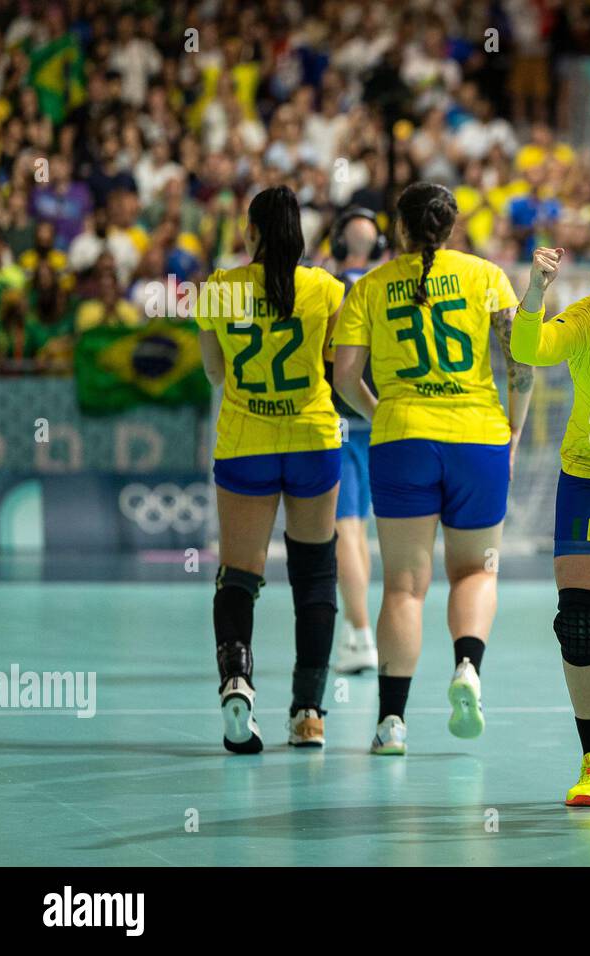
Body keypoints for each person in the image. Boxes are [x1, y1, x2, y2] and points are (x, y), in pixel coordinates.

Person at [332, 182, 532, 754]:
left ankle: (390, 724)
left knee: (403, 586)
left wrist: (386, 412)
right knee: (475, 572)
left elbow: (345, 375)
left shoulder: (370, 287)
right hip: (479, 438)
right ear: (451, 226)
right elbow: (521, 363)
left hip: (402, 441)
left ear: (400, 228)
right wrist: (513, 431)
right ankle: (467, 667)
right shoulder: (486, 275)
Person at [196, 185, 369, 753]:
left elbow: (216, 375)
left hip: (245, 442)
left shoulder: (218, 291)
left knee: (239, 575)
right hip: (312, 439)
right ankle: (309, 712)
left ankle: (236, 681)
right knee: (315, 574)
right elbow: (335, 367)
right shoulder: (325, 288)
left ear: (250, 233)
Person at [324, 208, 387, 674]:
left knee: (345, 526)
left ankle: (361, 632)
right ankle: (359, 628)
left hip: (342, 418)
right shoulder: (389, 287)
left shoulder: (330, 288)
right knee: (359, 528)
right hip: (384, 420)